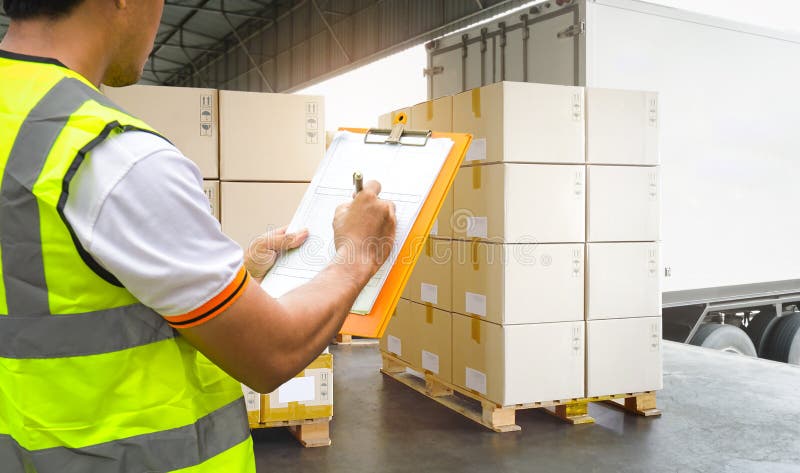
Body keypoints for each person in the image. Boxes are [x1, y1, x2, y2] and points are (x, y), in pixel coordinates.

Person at [0, 0, 396, 471]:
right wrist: (356, 253)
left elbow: (49, 285)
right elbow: (272, 352)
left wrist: (238, 275)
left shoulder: (19, 119)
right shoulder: (109, 155)